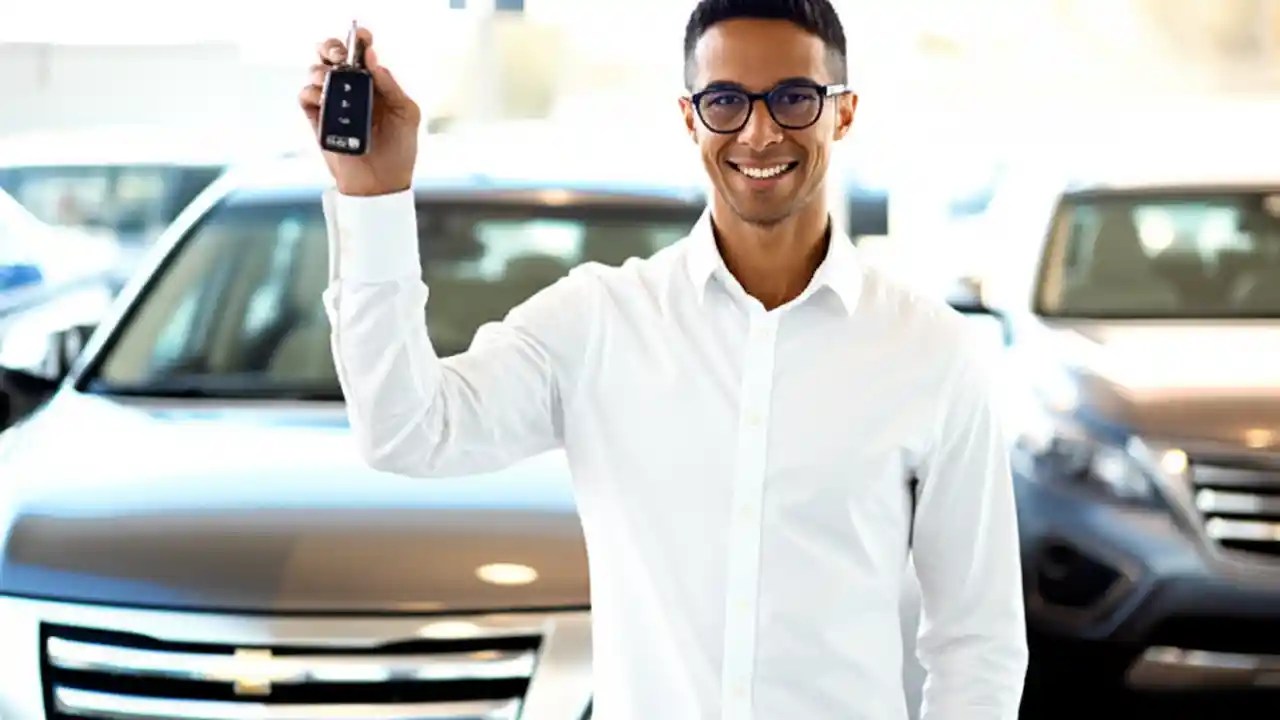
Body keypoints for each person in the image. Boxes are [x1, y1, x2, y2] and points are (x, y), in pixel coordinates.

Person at [298, 0, 1028, 717]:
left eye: (795, 98)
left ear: (843, 112)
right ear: (690, 118)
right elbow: (405, 430)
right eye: (725, 101)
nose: (760, 130)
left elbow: (978, 641)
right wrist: (374, 193)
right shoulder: (598, 323)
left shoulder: (932, 350)